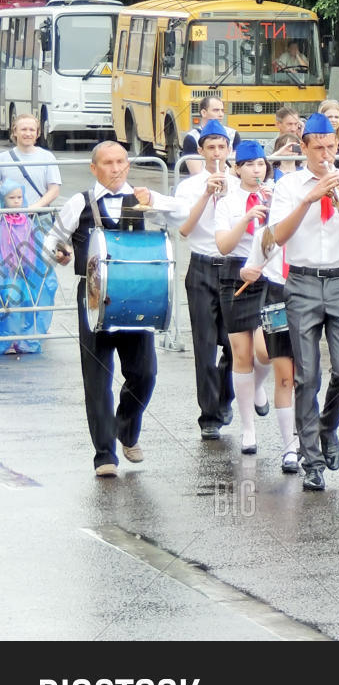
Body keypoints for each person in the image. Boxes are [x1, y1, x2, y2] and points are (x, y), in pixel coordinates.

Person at [44, 143, 185, 477]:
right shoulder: (79, 203)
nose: (117, 168)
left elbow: (183, 215)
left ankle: (126, 427)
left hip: (137, 297)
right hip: (93, 300)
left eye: (122, 161)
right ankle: (104, 454)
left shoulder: (142, 198)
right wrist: (59, 254)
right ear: (95, 168)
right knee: (97, 379)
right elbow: (52, 242)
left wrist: (156, 199)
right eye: (108, 163)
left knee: (145, 374)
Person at [269, 113, 339, 491]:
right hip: (301, 282)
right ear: (304, 148)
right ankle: (311, 460)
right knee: (307, 376)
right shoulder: (288, 186)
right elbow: (279, 237)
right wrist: (309, 199)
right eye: (319, 148)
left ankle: (327, 428)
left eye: (332, 147)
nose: (327, 155)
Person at [172, 119, 236, 438]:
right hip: (201, 266)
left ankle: (225, 396)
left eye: (221, 147)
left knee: (235, 344)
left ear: (229, 150)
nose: (216, 153)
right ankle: (208, 415)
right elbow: (184, 229)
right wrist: (206, 193)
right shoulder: (188, 187)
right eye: (210, 147)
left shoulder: (238, 184)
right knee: (205, 345)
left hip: (232, 267)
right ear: (200, 151)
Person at [212, 141, 275, 455]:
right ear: (237, 168)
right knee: (241, 354)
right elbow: (223, 245)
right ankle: (248, 428)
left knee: (265, 351)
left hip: (268, 271)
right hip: (236, 272)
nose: (256, 169)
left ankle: (260, 385)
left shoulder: (275, 194)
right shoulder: (227, 201)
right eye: (249, 164)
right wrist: (246, 216)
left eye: (261, 163)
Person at [236, 194, 299, 473]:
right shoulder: (265, 234)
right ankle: (289, 447)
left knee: (300, 374)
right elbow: (245, 269)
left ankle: (299, 441)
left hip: (307, 295)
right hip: (275, 296)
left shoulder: (310, 227)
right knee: (278, 368)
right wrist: (245, 273)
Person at [0, 178, 56, 354]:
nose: (17, 201)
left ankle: (24, 339)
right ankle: (7, 339)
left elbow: (37, 244)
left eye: (19, 197)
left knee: (28, 300)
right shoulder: (2, 222)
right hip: (8, 272)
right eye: (11, 198)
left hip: (27, 271)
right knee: (10, 302)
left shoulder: (27, 221)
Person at [1, 114, 61, 206]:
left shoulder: (47, 157)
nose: (28, 134)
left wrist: (33, 208)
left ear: (37, 133)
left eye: (32, 130)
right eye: (23, 129)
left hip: (38, 217)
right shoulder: (3, 158)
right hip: (10, 218)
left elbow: (54, 190)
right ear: (15, 132)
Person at [180, 95, 243, 174]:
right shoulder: (192, 137)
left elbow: (237, 167)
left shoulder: (233, 134)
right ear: (203, 112)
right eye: (216, 110)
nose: (221, 114)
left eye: (222, 110)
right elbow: (196, 173)